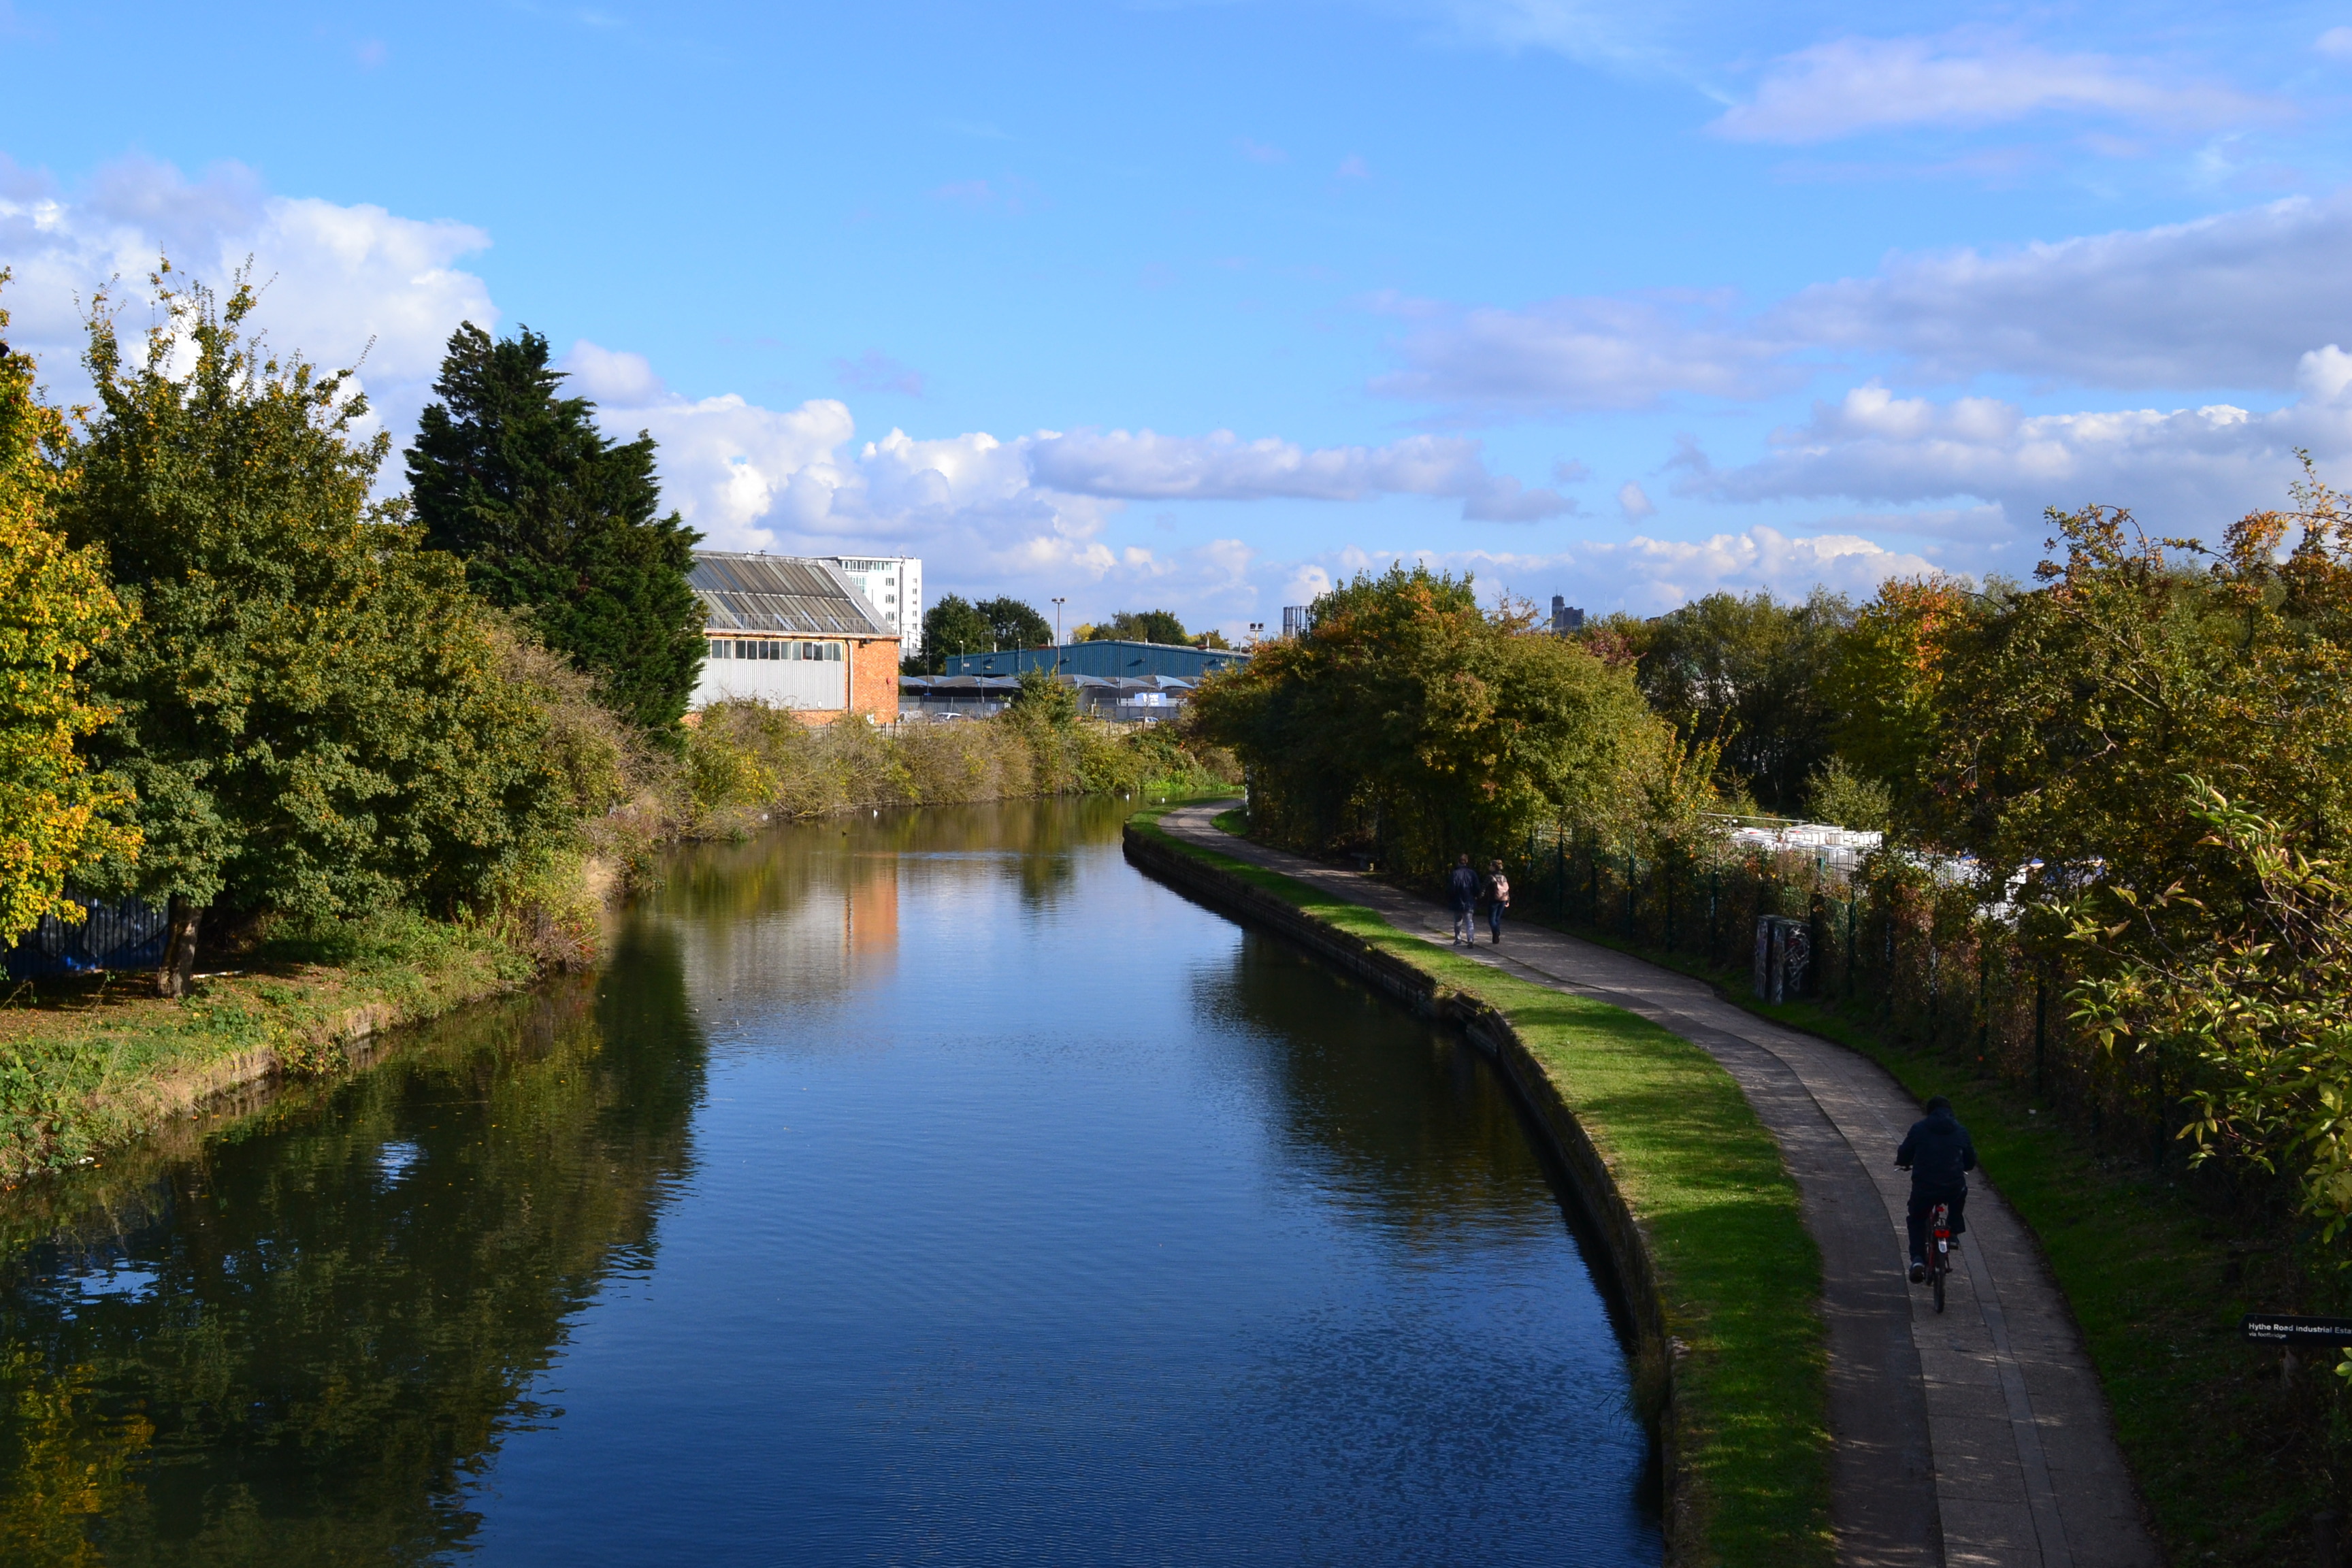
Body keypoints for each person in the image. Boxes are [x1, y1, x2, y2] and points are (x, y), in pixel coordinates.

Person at [1895, 1095, 1976, 1284]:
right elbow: (1971, 1161)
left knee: (1916, 1217)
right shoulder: (1961, 1131)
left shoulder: (1919, 1129)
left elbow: (1904, 1153)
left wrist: (1904, 1162)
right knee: (1960, 1192)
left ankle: (1917, 1260)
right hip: (1952, 1186)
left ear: (1929, 1112)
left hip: (1925, 1187)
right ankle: (1954, 1232)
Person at [1448, 853, 1479, 945]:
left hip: (1457, 900)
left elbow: (1451, 888)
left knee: (1458, 921)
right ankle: (1470, 939)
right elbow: (1477, 887)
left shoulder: (1455, 873)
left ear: (1458, 861)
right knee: (1469, 921)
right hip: (1469, 900)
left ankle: (1458, 940)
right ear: (1467, 861)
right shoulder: (1472, 873)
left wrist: (1450, 897)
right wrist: (1476, 895)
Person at [1485, 859, 1511, 945]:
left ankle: (1496, 932)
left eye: (1490, 865)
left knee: (1491, 919)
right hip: (1503, 899)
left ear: (1493, 867)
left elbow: (1484, 888)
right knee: (1497, 918)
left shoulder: (1490, 877)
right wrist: (1508, 899)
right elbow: (1506, 890)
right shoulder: (1504, 877)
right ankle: (1495, 938)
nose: (1490, 867)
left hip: (1493, 900)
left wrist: (1478, 896)